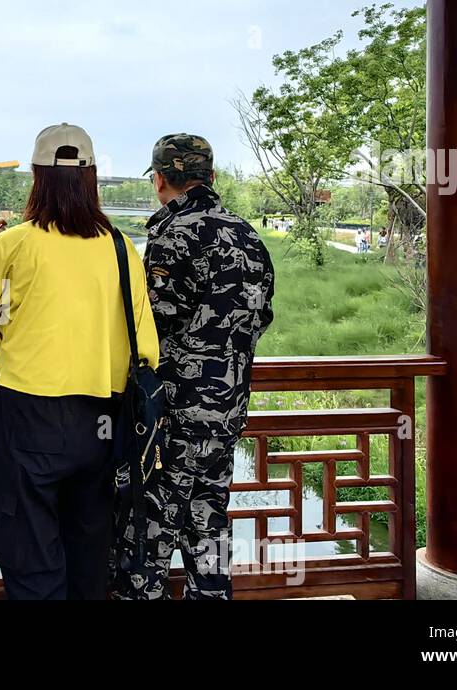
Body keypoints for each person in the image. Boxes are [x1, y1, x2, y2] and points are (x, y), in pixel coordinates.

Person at [0, 123, 159, 600]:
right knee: (89, 550)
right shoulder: (122, 249)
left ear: (38, 179)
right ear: (92, 178)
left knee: (29, 550)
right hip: (102, 422)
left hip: (31, 417)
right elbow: (146, 346)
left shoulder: (14, 244)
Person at [110, 134, 275, 601]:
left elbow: (152, 327)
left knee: (151, 524)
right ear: (212, 176)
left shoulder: (172, 233)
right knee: (210, 521)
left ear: (160, 180)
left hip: (174, 418)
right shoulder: (247, 234)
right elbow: (259, 318)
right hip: (228, 413)